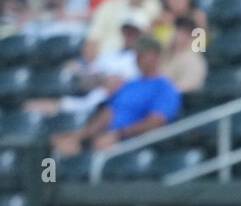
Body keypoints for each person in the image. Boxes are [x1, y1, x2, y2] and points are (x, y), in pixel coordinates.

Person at [49, 35, 180, 155]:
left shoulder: (165, 88)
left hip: (135, 143)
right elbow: (108, 114)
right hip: (107, 137)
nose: (138, 58)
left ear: (155, 56)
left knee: (101, 147)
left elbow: (155, 122)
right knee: (61, 144)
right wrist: (79, 137)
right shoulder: (130, 84)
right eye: (137, 54)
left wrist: (119, 135)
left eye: (143, 54)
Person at [160, 13, 206, 94]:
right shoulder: (165, 54)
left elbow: (187, 88)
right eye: (177, 29)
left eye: (184, 32)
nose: (178, 35)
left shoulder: (193, 60)